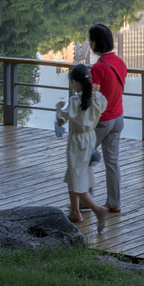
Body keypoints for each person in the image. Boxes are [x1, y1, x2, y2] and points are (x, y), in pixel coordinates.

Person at [56, 64, 109, 232]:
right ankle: (75, 211)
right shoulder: (98, 98)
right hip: (90, 138)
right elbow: (103, 107)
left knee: (77, 177)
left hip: (77, 140)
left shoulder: (74, 101)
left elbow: (61, 121)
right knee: (75, 173)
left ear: (74, 83)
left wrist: (58, 109)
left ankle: (97, 209)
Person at [87, 23, 127, 213]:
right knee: (112, 162)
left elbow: (90, 93)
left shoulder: (98, 68)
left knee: (82, 156)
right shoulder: (120, 62)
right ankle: (114, 202)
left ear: (95, 43)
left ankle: (85, 201)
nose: (89, 43)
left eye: (90, 40)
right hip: (118, 118)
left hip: (101, 121)